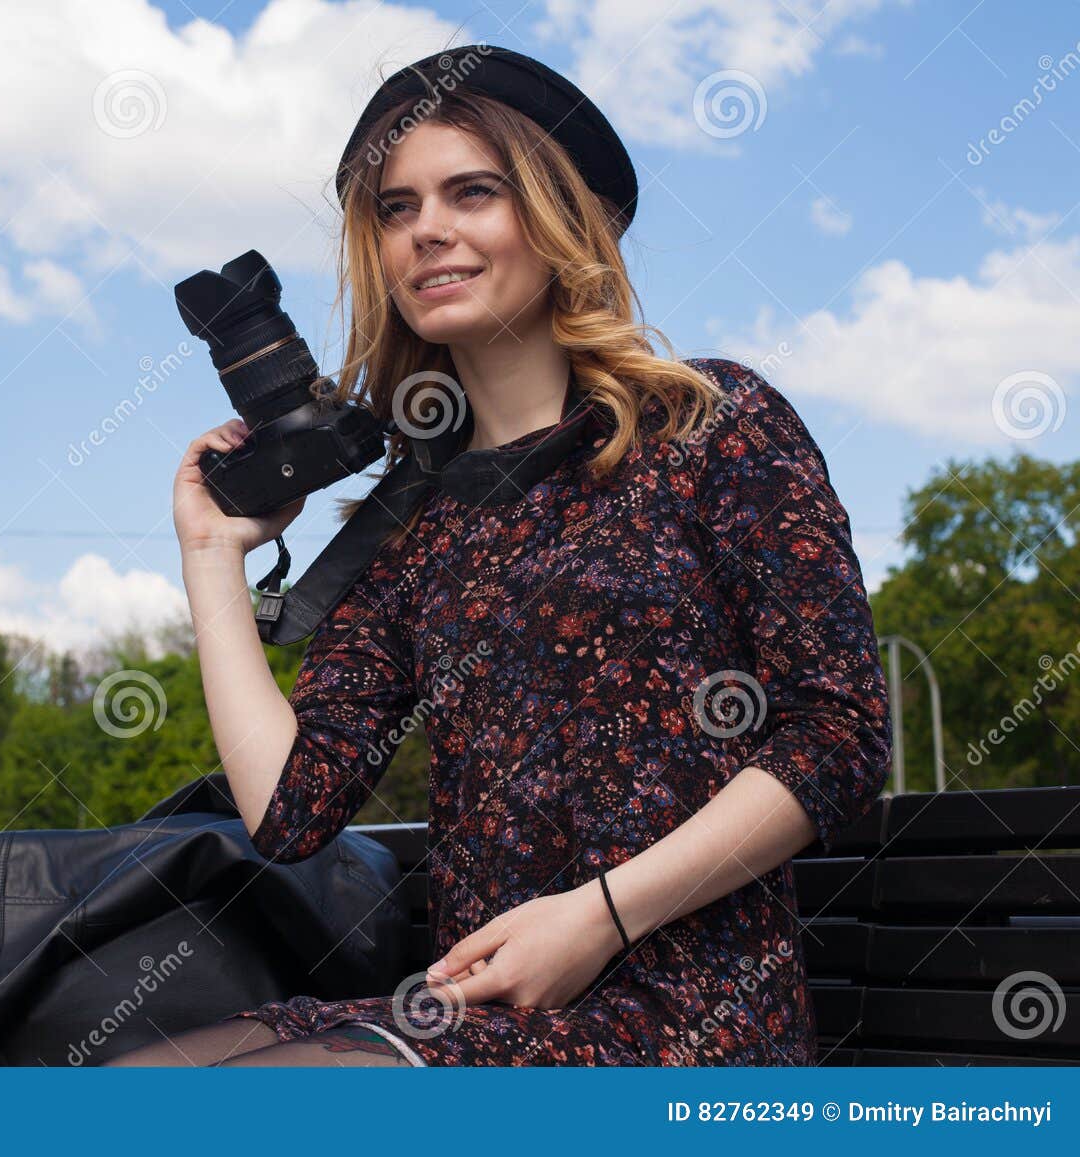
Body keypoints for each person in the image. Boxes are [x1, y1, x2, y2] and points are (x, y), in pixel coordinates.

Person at [104, 44, 891, 1067]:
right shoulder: (412, 523)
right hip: (470, 1016)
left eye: (471, 192)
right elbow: (291, 808)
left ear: (555, 218)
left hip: (684, 1019)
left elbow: (836, 732)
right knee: (128, 1077)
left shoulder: (708, 423)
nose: (427, 227)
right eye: (396, 207)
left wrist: (599, 915)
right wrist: (210, 553)